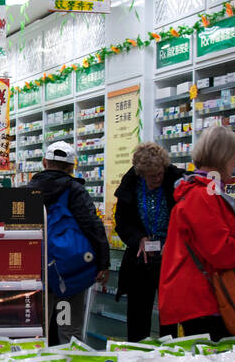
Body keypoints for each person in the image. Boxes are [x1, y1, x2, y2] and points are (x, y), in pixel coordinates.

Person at [158, 126, 235, 341]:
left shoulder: (201, 190)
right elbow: (221, 252)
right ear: (223, 157)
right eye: (234, 156)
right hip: (202, 300)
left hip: (202, 297)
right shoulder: (203, 195)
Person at [27, 141, 110, 345]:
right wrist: (103, 263)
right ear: (71, 167)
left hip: (36, 269)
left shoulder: (28, 190)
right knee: (69, 328)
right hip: (70, 270)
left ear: (44, 162)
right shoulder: (75, 190)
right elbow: (92, 224)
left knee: (39, 327)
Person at [113, 142, 185, 341]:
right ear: (141, 174)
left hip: (171, 259)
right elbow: (122, 222)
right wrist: (139, 239)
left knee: (170, 316)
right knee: (138, 317)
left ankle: (170, 360)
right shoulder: (130, 185)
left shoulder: (176, 179)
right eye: (152, 176)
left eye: (160, 174)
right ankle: (138, 357)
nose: (158, 179)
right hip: (141, 259)